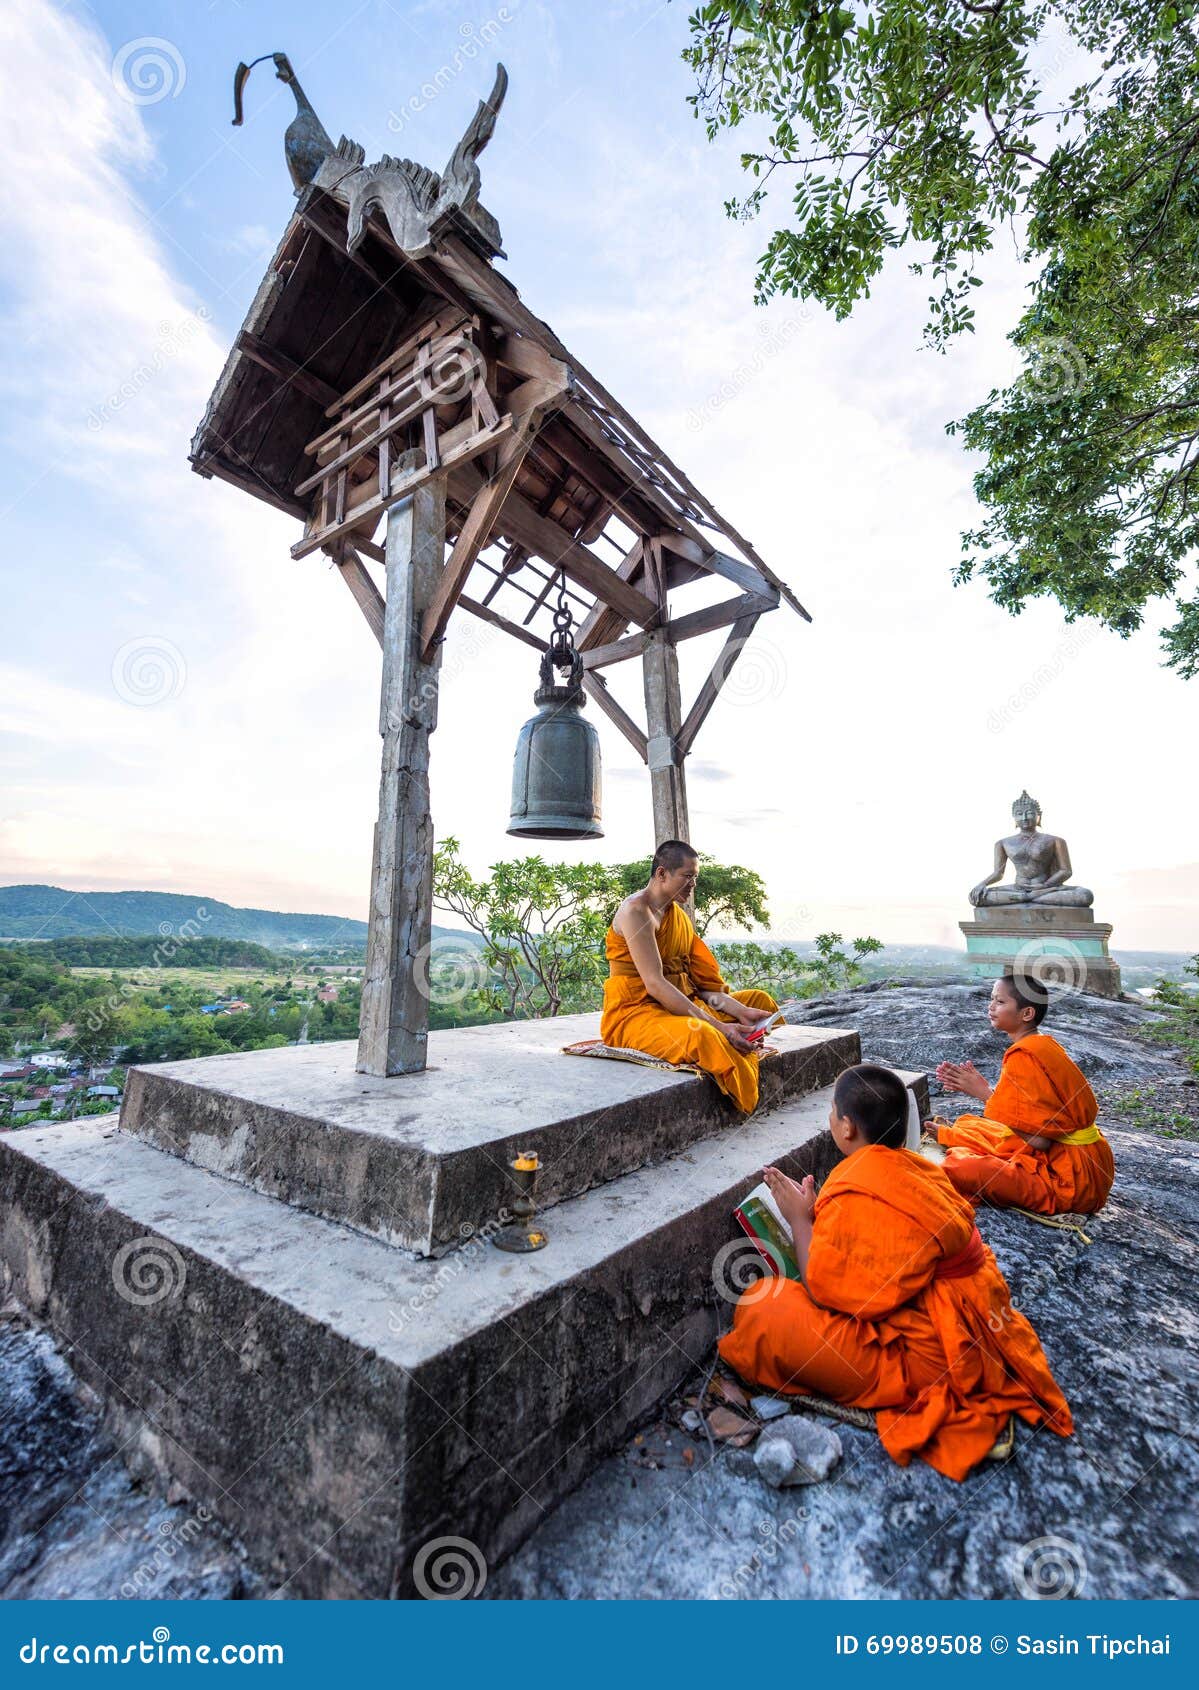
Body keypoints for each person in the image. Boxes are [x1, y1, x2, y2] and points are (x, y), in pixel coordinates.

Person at [718, 1064, 1073, 1479]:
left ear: (847, 1128)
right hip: (975, 1325)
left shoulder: (851, 1184)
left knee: (764, 1311)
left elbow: (822, 1289)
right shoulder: (920, 1168)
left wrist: (799, 1221)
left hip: (927, 1359)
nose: (829, 1120)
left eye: (832, 1112)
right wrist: (820, 1219)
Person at [601, 840, 779, 1114]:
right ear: (662, 874)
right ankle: (747, 1101)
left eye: (695, 877)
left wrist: (740, 1011)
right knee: (706, 1035)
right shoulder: (636, 911)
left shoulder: (679, 917)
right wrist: (722, 1028)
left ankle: (740, 1036)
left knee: (760, 1001)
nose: (693, 884)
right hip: (637, 1013)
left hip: (681, 1001)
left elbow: (700, 986)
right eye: (687, 876)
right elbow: (656, 984)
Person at [934, 972, 1113, 1215]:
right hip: (1085, 1163)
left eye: (1000, 1002)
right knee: (970, 1123)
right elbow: (1036, 1111)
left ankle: (953, 1138)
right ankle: (951, 1134)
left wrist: (984, 1093)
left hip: (1069, 1182)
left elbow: (1040, 1140)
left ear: (1026, 1013)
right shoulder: (1042, 1044)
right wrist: (988, 1091)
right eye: (992, 999)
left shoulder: (1024, 1055)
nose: (991, 1007)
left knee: (959, 1167)